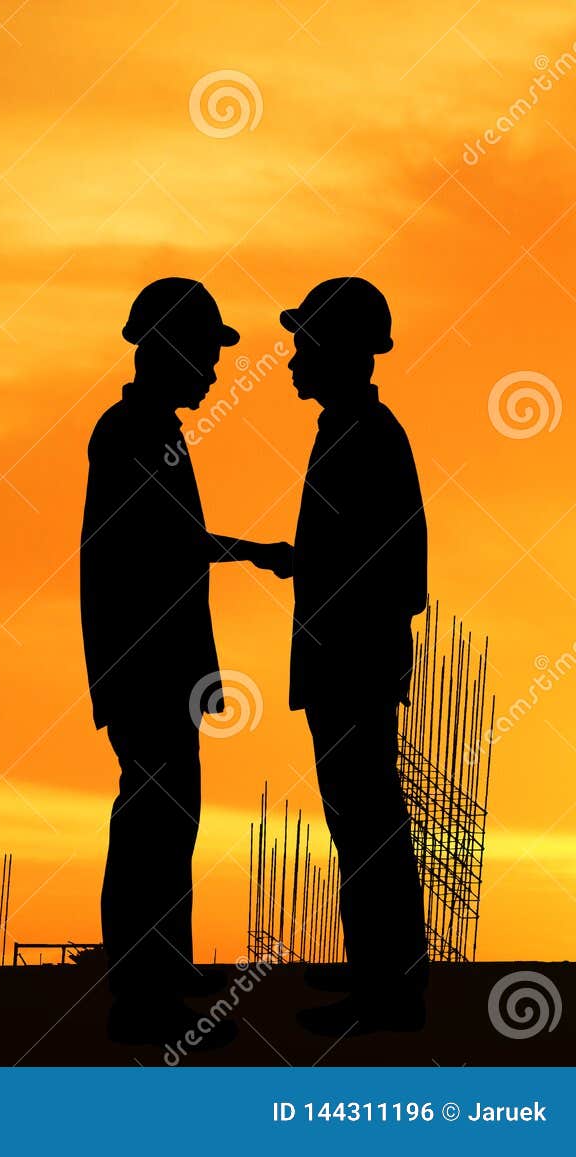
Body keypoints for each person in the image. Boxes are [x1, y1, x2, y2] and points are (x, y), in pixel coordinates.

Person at [80, 278, 289, 1047]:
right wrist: (259, 552)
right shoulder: (130, 431)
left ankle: (164, 963)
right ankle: (141, 994)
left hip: (161, 663)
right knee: (151, 825)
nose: (213, 369)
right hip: (142, 666)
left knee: (169, 821)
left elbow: (174, 558)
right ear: (168, 348)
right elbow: (167, 546)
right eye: (204, 353)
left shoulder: (150, 430)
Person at [271, 277, 429, 1035]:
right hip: (347, 659)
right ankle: (381, 972)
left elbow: (393, 569)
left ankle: (388, 989)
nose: (293, 358)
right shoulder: (350, 428)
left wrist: (343, 628)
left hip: (353, 662)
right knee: (361, 822)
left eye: (304, 344)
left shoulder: (367, 435)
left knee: (367, 824)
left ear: (336, 349)